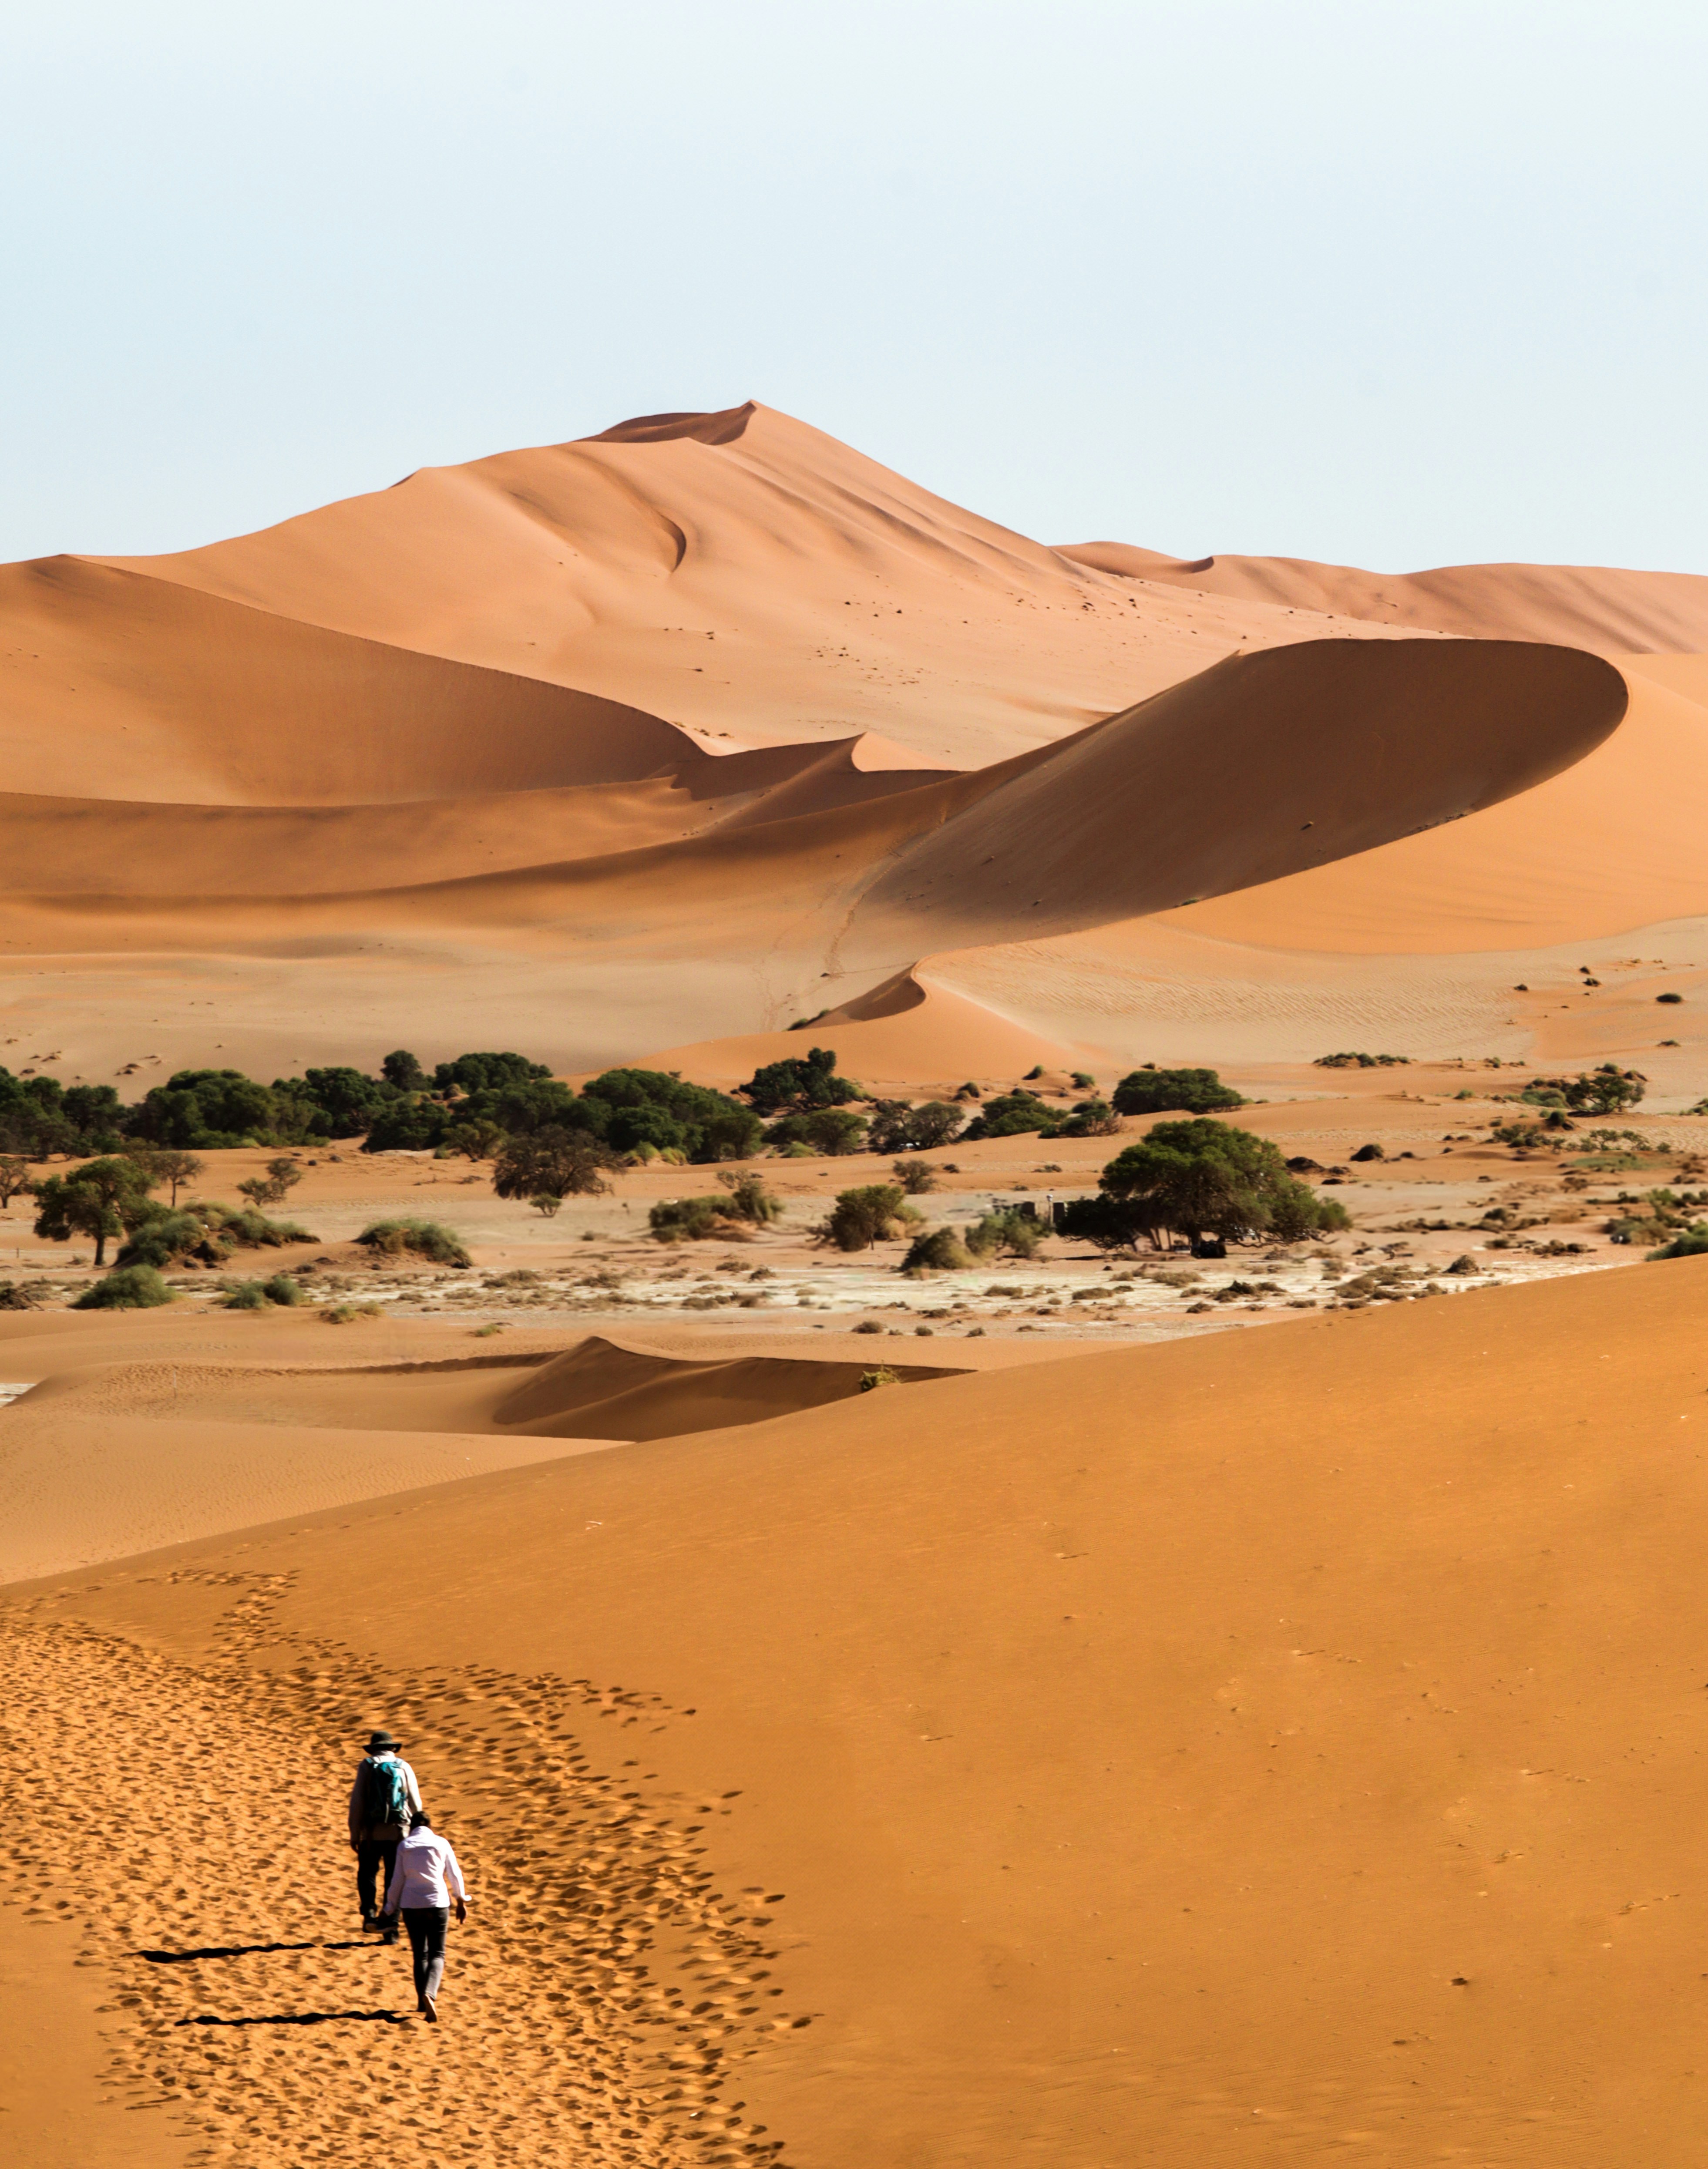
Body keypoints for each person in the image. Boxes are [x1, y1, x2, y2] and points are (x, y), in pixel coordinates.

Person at [380, 1809, 469, 2022]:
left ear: (412, 1827)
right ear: (430, 1826)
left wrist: (389, 1908)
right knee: (438, 1954)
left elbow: (397, 1880)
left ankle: (422, 2003)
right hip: (438, 1904)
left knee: (420, 1954)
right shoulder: (441, 1843)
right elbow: (454, 1873)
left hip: (411, 1905)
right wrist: (461, 1900)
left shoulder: (405, 1846)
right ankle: (430, 1993)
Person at [347, 1728, 423, 1934]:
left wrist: (355, 1833)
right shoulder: (404, 1766)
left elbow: (358, 1802)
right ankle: (391, 1925)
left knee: (368, 1873)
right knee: (396, 1878)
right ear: (392, 1748)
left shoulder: (367, 1766)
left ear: (373, 1750)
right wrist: (420, 1832)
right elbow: (416, 1803)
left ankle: (370, 1915)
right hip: (399, 1832)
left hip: (371, 1833)